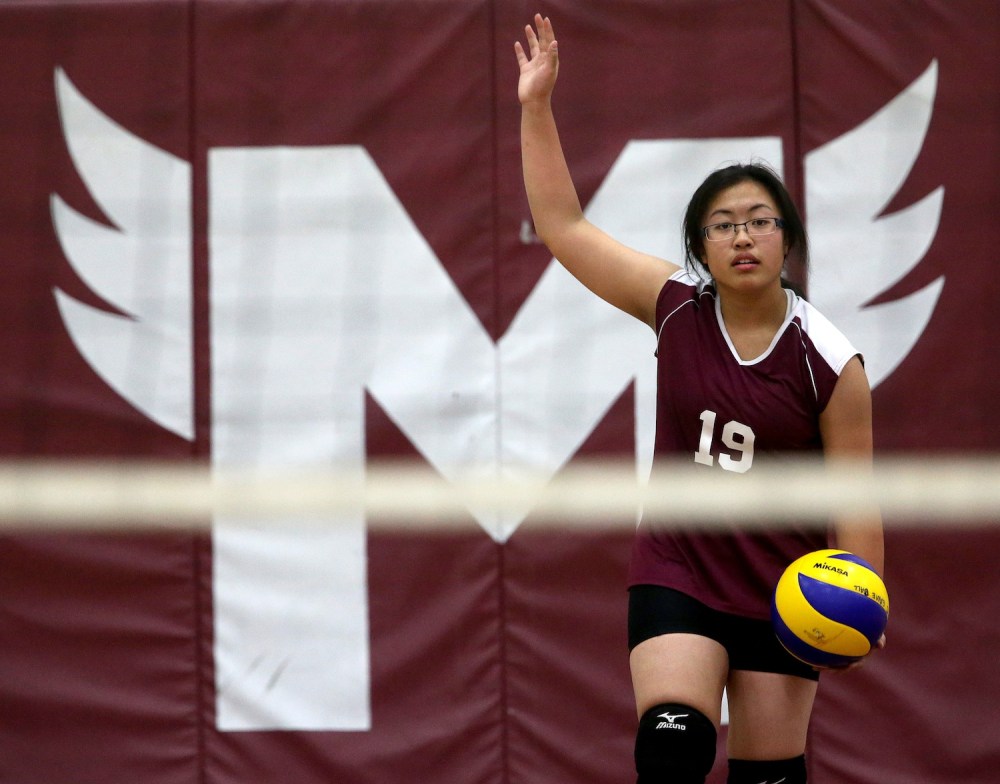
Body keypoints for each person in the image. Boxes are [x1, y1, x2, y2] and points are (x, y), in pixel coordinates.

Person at [514, 14, 885, 784]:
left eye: (759, 222)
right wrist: (536, 106)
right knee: (673, 747)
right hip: (677, 567)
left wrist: (864, 607)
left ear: (787, 240)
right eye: (723, 226)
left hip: (784, 590)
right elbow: (562, 226)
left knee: (769, 775)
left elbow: (856, 497)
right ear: (701, 248)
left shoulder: (829, 362)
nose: (743, 237)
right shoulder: (676, 307)